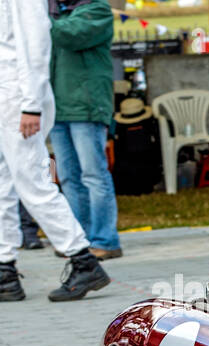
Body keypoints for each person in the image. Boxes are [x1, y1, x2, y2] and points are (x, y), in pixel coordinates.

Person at [0, 0, 109, 302]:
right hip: (9, 93)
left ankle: (82, 259)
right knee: (3, 185)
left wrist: (31, 105)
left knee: (32, 182)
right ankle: (5, 268)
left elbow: (36, 43)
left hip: (17, 95)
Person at [49, 0, 120, 260]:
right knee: (68, 177)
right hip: (57, 108)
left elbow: (69, 35)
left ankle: (105, 240)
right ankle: (80, 241)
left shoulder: (97, 9)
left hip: (87, 106)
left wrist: (35, 17)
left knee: (93, 175)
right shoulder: (55, 12)